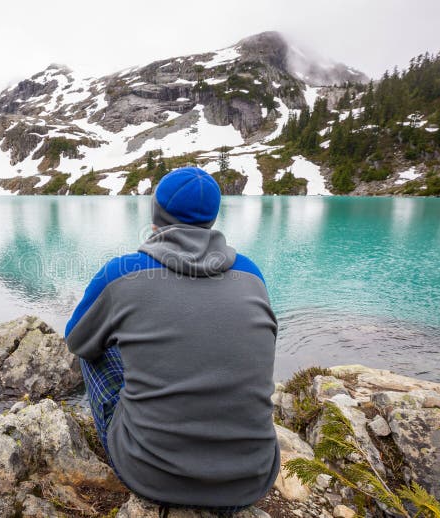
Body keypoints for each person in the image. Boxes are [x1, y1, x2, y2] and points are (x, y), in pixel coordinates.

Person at [65, 166, 279, 512]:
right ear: (212, 219)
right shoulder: (251, 274)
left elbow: (77, 340)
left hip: (153, 475)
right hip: (252, 475)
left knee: (96, 349)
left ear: (156, 217)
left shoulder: (123, 272)